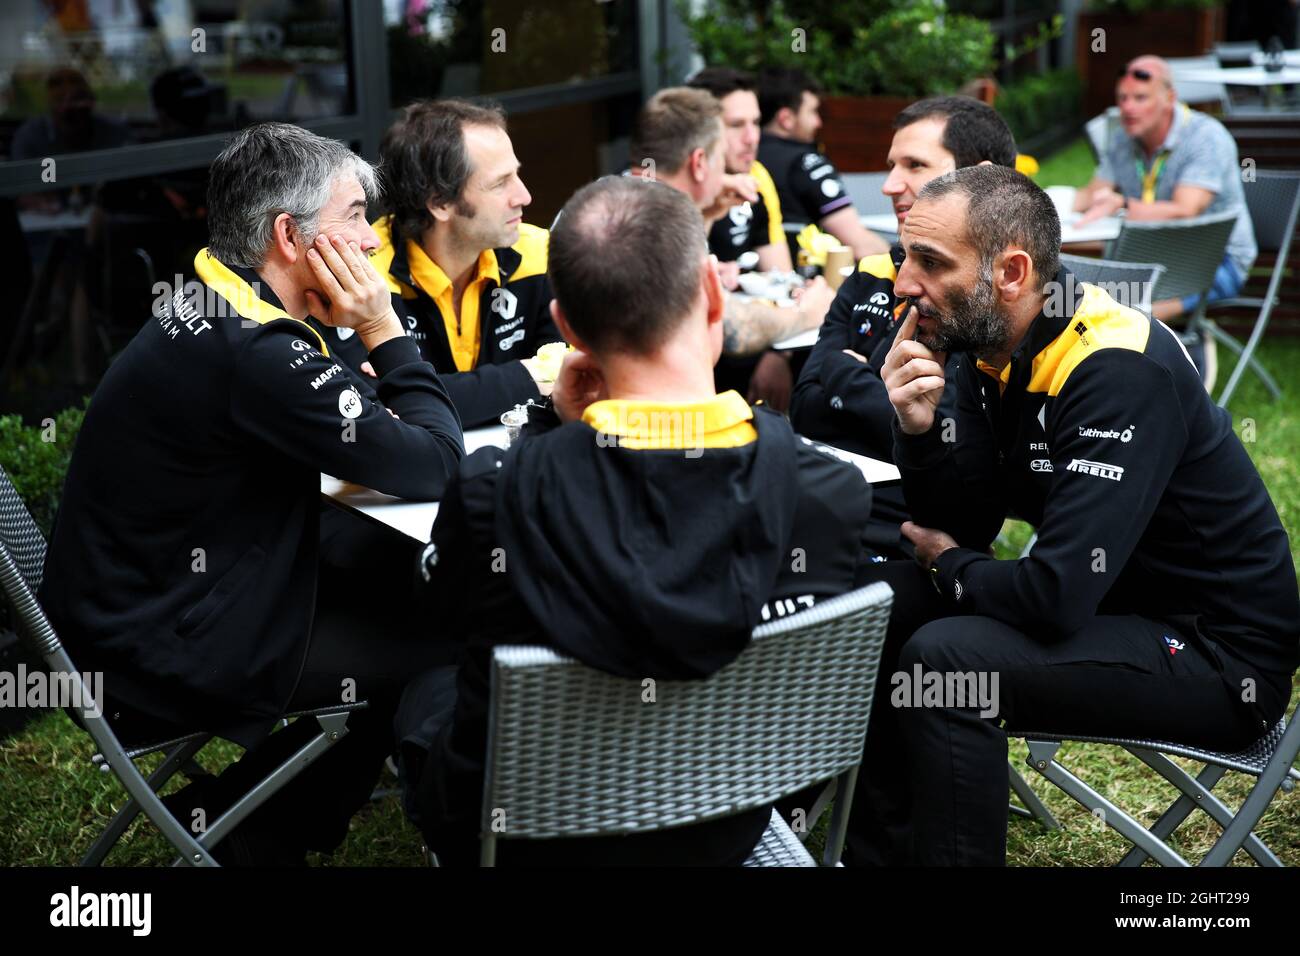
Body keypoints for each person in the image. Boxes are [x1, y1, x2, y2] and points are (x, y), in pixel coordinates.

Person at [395, 174, 881, 866]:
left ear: (564, 328)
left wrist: (547, 436)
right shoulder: (830, 490)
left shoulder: (493, 492)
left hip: (532, 837)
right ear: (714, 290)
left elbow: (446, 614)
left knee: (427, 690)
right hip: (728, 822)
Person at [38, 123, 465, 864]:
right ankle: (262, 834)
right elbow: (436, 466)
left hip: (136, 614)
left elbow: (355, 438)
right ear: (289, 236)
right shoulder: (254, 352)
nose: (373, 240)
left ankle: (250, 827)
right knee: (447, 630)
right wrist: (380, 326)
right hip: (155, 653)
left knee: (405, 580)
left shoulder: (219, 298)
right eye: (357, 216)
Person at [848, 164, 1298, 866]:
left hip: (1217, 656)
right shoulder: (987, 342)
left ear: (1012, 271)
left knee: (947, 661)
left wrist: (950, 565)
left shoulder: (1115, 366)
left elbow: (1051, 595)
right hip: (1112, 608)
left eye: (931, 262)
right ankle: (881, 854)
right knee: (879, 607)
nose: (905, 284)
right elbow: (965, 521)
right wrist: (917, 428)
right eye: (906, 256)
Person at [791, 96, 1018, 556]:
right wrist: (882, 395)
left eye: (915, 165)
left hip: (911, 529)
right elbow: (805, 407)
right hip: (824, 497)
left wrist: (843, 375)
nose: (891, 184)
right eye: (892, 165)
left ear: (981, 177)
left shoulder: (996, 296)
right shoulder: (874, 268)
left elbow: (953, 435)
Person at [311, 99, 562, 428]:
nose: (524, 196)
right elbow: (368, 409)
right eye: (500, 183)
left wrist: (420, 390)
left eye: (517, 174)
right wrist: (533, 374)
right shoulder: (361, 271)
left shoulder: (540, 252)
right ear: (440, 203)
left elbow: (583, 373)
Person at [629, 86, 835, 410]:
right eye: (719, 154)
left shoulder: (618, 197)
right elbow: (730, 327)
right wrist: (807, 313)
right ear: (699, 162)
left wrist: (705, 211)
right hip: (652, 412)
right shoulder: (654, 222)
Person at [1074, 56, 1257, 325]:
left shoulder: (1205, 137)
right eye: (1122, 98)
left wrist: (1122, 204)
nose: (1127, 107)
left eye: (1140, 98)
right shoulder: (1123, 139)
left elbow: (1185, 211)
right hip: (1151, 251)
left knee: (1122, 321)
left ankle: (1191, 347)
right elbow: (1090, 195)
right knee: (1074, 298)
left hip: (1213, 258)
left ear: (1169, 98)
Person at [757, 67, 887, 261]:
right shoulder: (806, 163)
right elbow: (862, 246)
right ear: (786, 119)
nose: (818, 122)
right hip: (804, 277)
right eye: (812, 112)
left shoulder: (742, 159)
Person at [686, 67, 792, 274]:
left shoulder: (756, 176)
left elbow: (780, 273)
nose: (752, 138)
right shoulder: (672, 184)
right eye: (736, 125)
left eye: (755, 123)